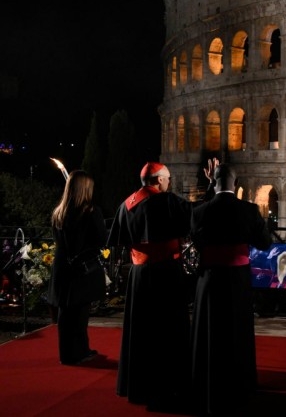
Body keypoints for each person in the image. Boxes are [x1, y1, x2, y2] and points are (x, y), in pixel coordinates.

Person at [107, 160, 214, 412]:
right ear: (158, 180)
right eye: (167, 179)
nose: (169, 182)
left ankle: (138, 386)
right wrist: (211, 186)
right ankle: (167, 388)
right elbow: (197, 213)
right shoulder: (166, 201)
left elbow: (119, 241)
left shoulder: (127, 203)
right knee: (166, 332)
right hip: (165, 274)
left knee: (141, 332)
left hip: (138, 275)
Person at [189, 162, 273, 416]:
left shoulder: (199, 211)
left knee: (209, 329)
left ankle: (207, 382)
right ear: (235, 185)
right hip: (237, 278)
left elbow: (196, 240)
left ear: (213, 183)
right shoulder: (249, 210)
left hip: (209, 279)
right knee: (237, 329)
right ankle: (240, 383)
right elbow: (265, 243)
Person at [47, 170, 107, 366]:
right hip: (82, 269)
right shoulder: (90, 212)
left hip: (62, 265)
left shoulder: (59, 213)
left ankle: (66, 353)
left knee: (65, 313)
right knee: (81, 313)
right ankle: (80, 351)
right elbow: (101, 240)